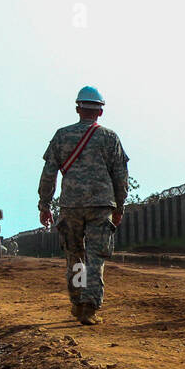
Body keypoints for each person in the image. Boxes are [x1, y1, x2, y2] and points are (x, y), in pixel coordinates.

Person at [37, 85, 130, 325]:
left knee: (75, 257)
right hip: (101, 206)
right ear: (100, 112)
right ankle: (89, 307)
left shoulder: (61, 136)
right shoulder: (110, 138)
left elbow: (49, 174)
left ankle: (78, 301)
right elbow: (120, 176)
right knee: (95, 257)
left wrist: (44, 205)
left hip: (71, 206)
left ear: (78, 108)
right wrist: (120, 207)